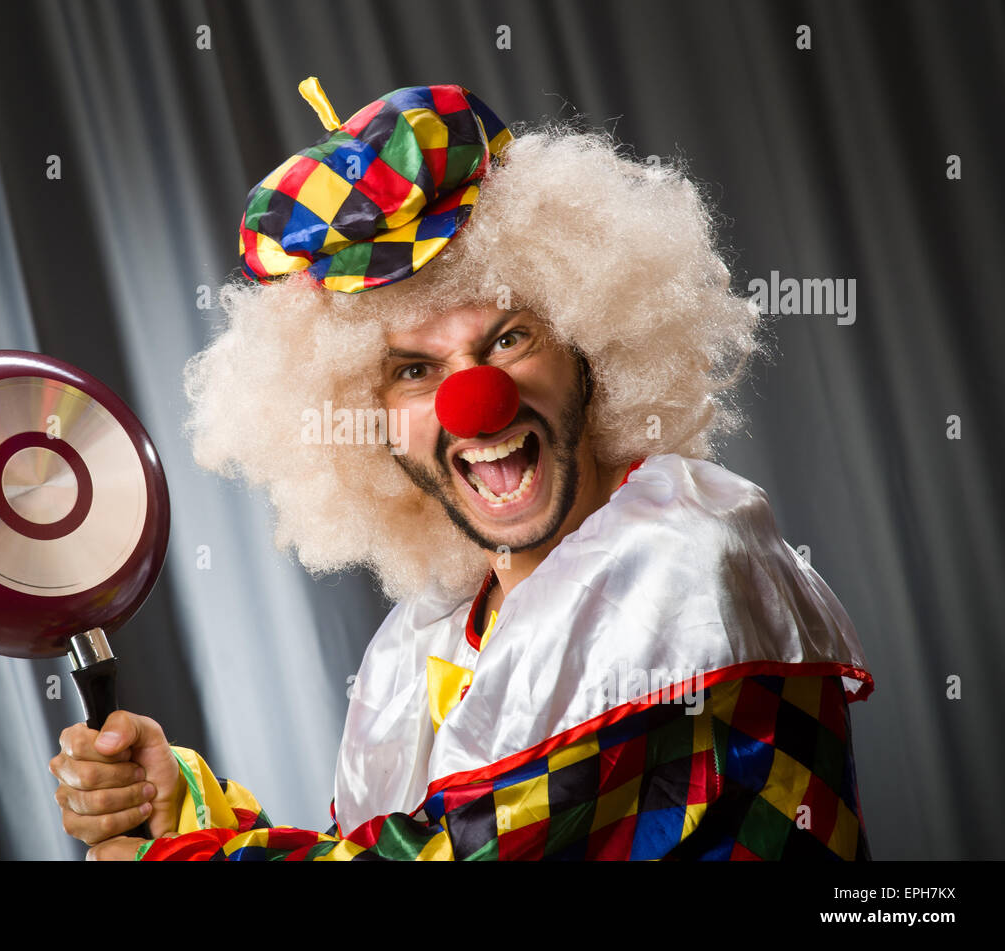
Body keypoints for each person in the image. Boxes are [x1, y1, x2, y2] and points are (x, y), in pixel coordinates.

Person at [51, 79, 874, 860]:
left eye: (509, 339)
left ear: (592, 346)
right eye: (414, 370)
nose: (473, 403)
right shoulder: (438, 636)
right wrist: (190, 810)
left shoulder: (681, 573)